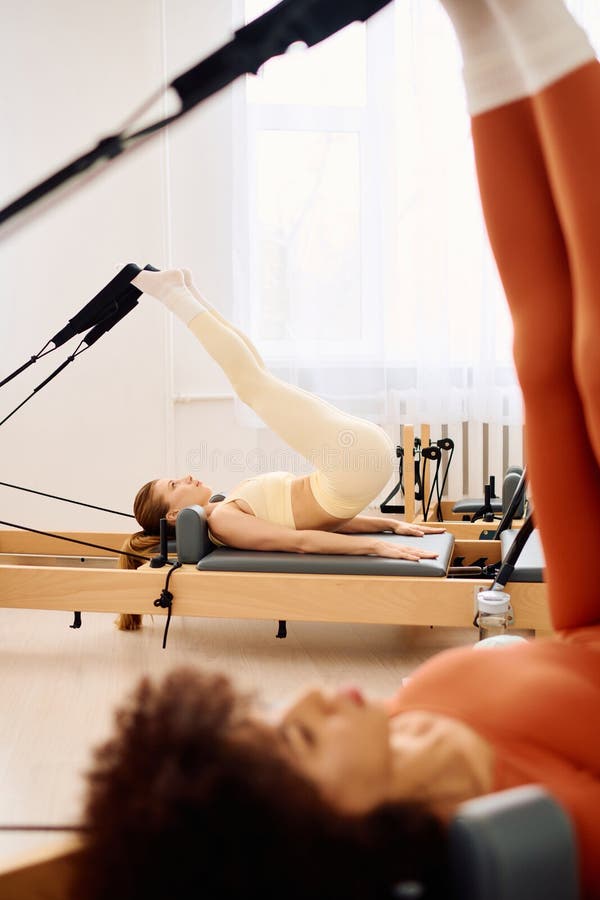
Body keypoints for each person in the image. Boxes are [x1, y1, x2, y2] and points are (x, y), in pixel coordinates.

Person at [75, 1, 600, 897]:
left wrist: (396, 528)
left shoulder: (423, 704)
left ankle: (488, 21)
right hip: (376, 492)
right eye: (298, 739)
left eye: (274, 716)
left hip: (572, 618)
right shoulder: (538, 840)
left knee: (547, 352)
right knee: (567, 354)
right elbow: (310, 542)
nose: (312, 701)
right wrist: (389, 545)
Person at [116, 266, 443, 629]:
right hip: (351, 466)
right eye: (174, 486)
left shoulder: (227, 506)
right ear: (174, 516)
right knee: (252, 385)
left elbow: (328, 523)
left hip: (354, 465)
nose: (186, 477)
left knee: (258, 377)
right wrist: (376, 546)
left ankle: (184, 290)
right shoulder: (224, 522)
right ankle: (173, 294)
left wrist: (387, 526)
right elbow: (302, 541)